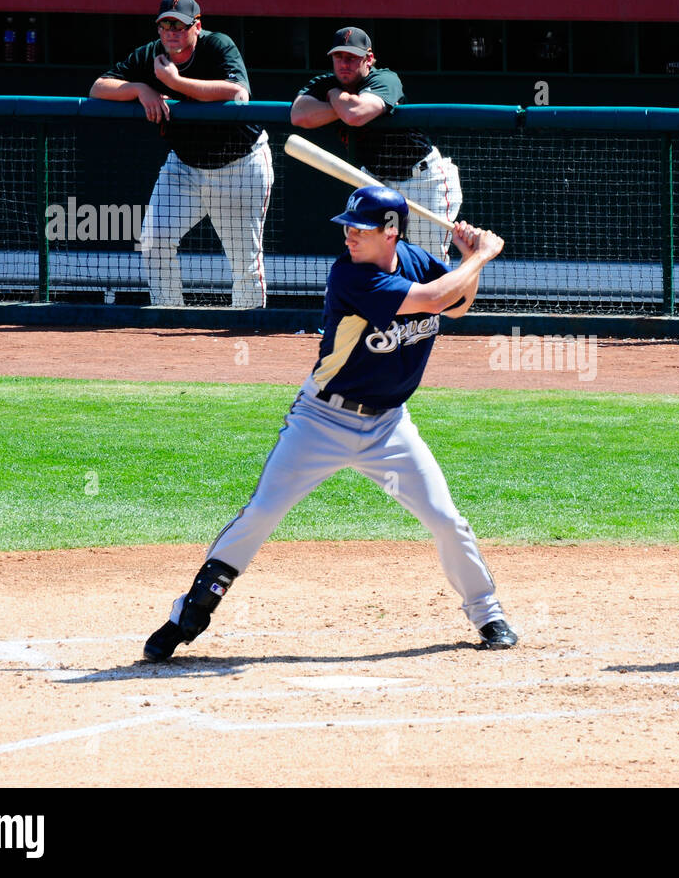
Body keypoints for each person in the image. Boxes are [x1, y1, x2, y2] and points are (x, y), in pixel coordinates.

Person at [142, 186, 517, 662]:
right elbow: (433, 298)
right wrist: (481, 255)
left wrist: (469, 261)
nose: (349, 237)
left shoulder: (419, 261)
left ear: (391, 232)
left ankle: (487, 614)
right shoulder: (351, 277)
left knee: (446, 520)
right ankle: (187, 615)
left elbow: (455, 303)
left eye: (360, 229)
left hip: (388, 429)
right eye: (348, 228)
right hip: (321, 421)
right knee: (261, 513)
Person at [90, 0, 272, 308]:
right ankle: (169, 312)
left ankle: (247, 331)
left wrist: (174, 82)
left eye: (179, 25)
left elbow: (239, 94)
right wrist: (139, 88)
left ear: (196, 26)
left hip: (239, 164)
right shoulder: (151, 55)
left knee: (244, 259)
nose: (171, 31)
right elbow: (98, 87)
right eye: (165, 25)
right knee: (153, 239)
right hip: (185, 167)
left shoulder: (218, 46)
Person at [291, 27, 462, 261]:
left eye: (351, 57)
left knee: (428, 262)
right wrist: (339, 99)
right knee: (376, 258)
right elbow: (299, 115)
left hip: (422, 180)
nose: (344, 64)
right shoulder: (326, 83)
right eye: (338, 57)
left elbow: (355, 114)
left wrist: (333, 96)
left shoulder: (384, 79)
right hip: (376, 181)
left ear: (369, 59)